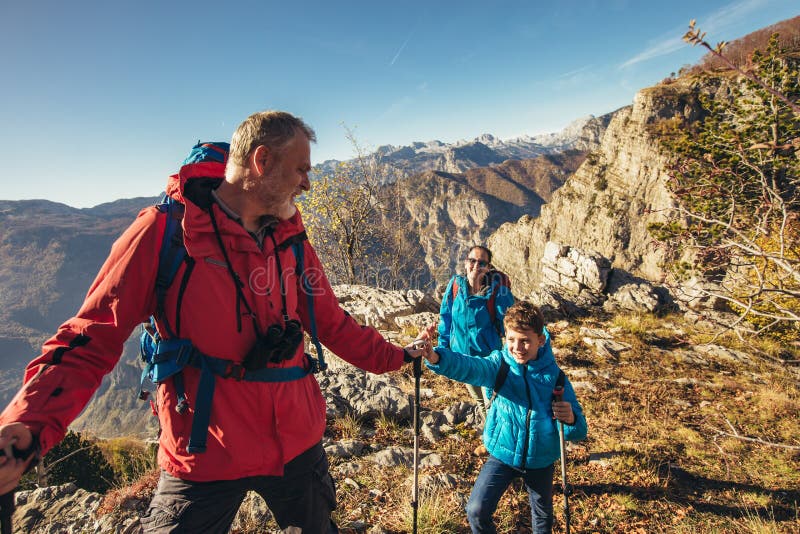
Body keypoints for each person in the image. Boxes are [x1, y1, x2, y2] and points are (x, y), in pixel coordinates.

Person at [0, 110, 424, 533]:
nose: (307, 183)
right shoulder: (164, 232)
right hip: (204, 451)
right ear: (262, 161)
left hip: (295, 442)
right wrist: (29, 425)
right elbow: (91, 337)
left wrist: (396, 356)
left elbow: (329, 321)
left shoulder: (290, 237)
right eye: (301, 169)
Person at [415, 300, 587, 533]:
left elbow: (580, 430)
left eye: (525, 340)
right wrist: (435, 357)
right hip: (503, 452)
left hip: (541, 459)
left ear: (541, 340)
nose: (517, 347)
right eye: (511, 339)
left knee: (542, 519)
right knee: (476, 510)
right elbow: (469, 367)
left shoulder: (555, 378)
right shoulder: (500, 365)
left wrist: (571, 420)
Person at [438, 246, 514, 414]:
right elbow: (446, 318)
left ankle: (493, 430)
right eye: (472, 261)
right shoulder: (455, 286)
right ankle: (487, 427)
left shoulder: (497, 292)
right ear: (466, 263)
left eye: (482, 263)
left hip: (487, 361)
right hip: (462, 358)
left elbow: (511, 327)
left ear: (488, 267)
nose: (476, 266)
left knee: (492, 404)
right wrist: (442, 350)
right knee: (480, 402)